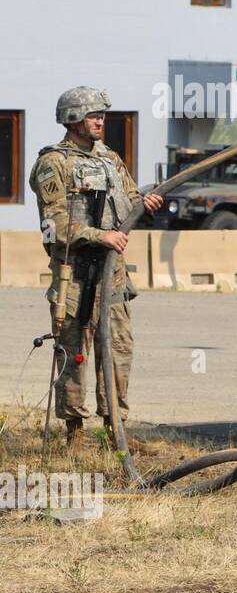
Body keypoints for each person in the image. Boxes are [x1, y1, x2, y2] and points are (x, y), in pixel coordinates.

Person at [29, 87, 163, 455]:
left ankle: (114, 432)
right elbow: (53, 225)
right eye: (93, 115)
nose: (101, 121)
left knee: (118, 351)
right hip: (76, 276)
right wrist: (98, 235)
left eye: (102, 115)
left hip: (114, 276)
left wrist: (146, 202)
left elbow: (131, 202)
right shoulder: (52, 163)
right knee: (74, 353)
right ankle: (74, 435)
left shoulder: (110, 159)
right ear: (73, 120)